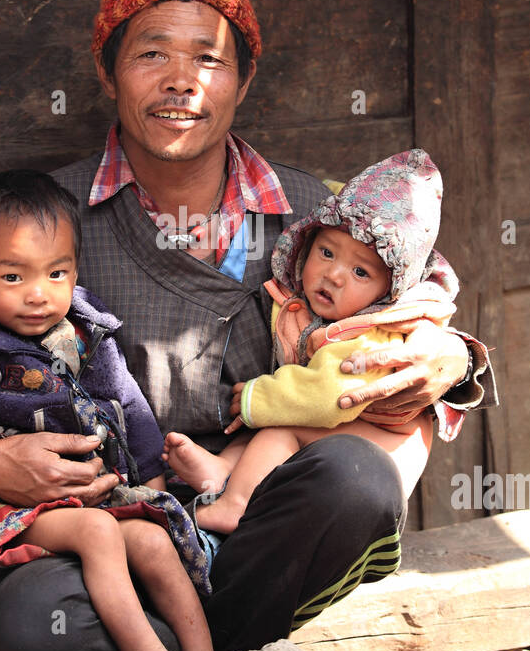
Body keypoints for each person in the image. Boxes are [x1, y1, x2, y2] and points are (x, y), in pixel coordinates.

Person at [0, 0, 496, 651]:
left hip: (257, 523)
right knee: (37, 625)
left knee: (354, 480)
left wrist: (451, 359)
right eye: (151, 53)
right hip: (113, 529)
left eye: (209, 58)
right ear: (109, 74)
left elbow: (431, 313)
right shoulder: (40, 221)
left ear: (242, 81)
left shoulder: (321, 216)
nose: (182, 79)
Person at [0, 169, 214, 651]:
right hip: (25, 510)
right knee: (96, 533)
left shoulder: (87, 331)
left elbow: (129, 404)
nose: (38, 294)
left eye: (56, 273)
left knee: (155, 541)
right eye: (12, 277)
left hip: (104, 495)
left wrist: (153, 485)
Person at [163, 149, 459, 535]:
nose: (334, 275)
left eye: (359, 271)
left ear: (391, 290)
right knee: (274, 427)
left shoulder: (373, 332)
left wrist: (258, 399)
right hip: (346, 432)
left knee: (279, 426)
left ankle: (233, 505)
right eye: (326, 252)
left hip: (376, 446)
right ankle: (225, 470)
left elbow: (327, 394)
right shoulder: (325, 312)